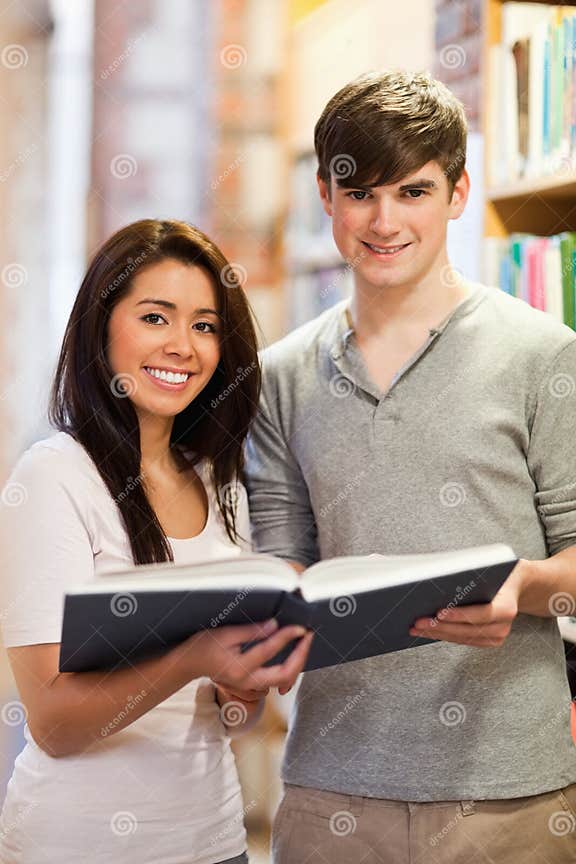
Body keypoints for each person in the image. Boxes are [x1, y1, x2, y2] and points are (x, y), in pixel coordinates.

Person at [245, 71, 576, 863]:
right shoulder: (281, 375)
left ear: (459, 193)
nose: (384, 221)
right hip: (331, 791)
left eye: (414, 192)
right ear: (325, 194)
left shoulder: (544, 357)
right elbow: (283, 558)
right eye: (360, 193)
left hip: (511, 795)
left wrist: (524, 588)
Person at [0, 218, 313, 864]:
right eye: (155, 318)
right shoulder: (54, 476)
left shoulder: (221, 484)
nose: (183, 346)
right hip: (77, 846)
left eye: (204, 326)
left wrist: (240, 689)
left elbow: (229, 722)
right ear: (102, 327)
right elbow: (54, 726)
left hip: (214, 841)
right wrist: (196, 656)